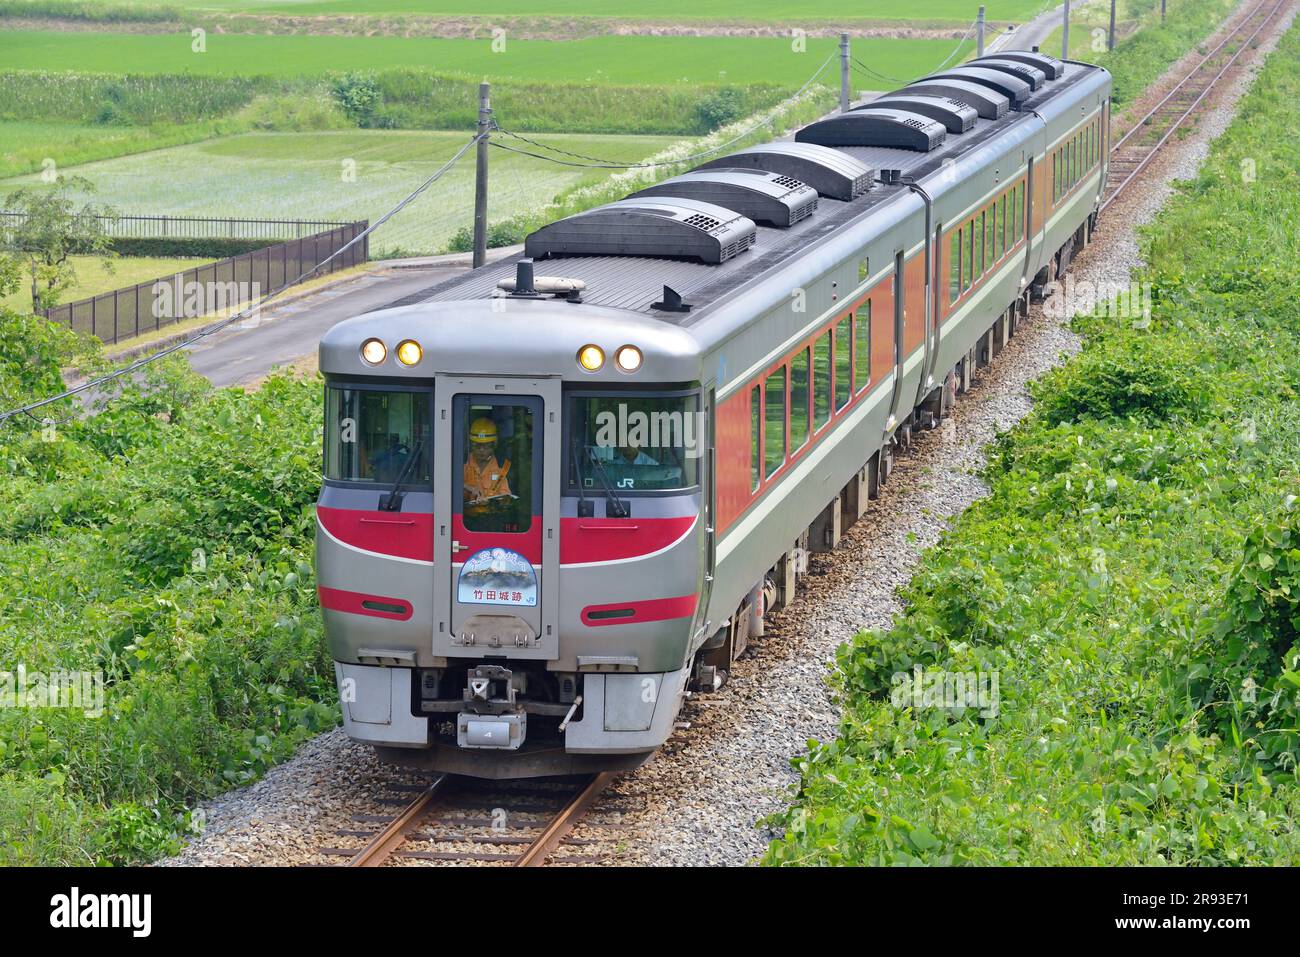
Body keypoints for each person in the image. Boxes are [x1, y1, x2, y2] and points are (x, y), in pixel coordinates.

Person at [463, 417, 512, 505]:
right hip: (464, 515)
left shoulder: (502, 466)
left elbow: (506, 499)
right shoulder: (463, 462)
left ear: (494, 444)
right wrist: (467, 488)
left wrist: (491, 503)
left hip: (491, 515)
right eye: (477, 445)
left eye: (486, 445)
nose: (481, 450)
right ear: (470, 444)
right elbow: (448, 485)